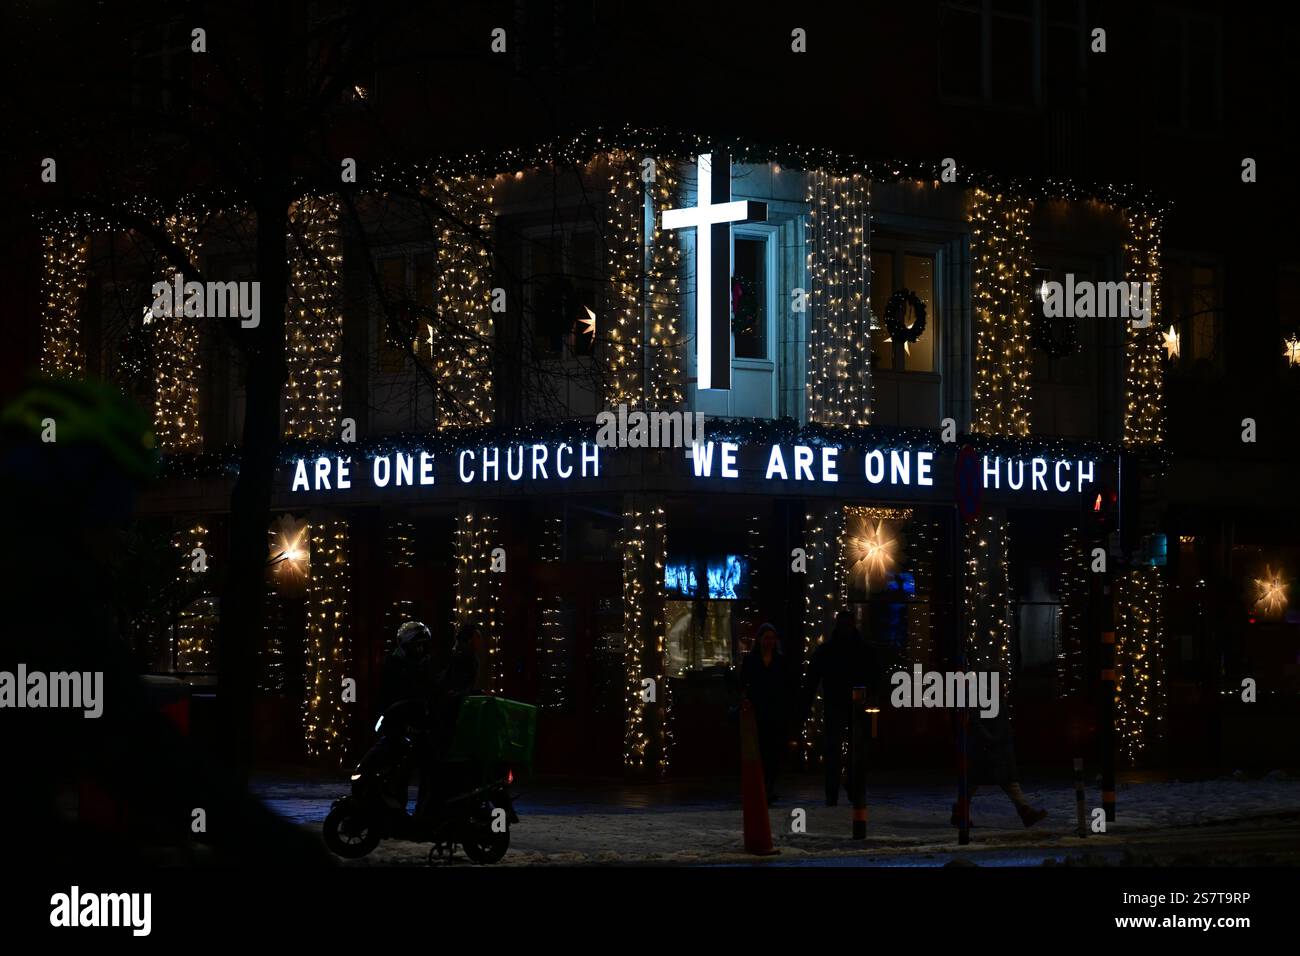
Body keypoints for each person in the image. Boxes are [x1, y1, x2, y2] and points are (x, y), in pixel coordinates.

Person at [801, 610, 873, 806]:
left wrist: (805, 705)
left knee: (837, 750)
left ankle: (837, 792)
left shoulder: (829, 650)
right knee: (851, 750)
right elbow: (872, 676)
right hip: (850, 705)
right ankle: (850, 789)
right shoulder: (859, 649)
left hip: (840, 704)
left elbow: (812, 679)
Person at [952, 697, 1047, 828]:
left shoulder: (990, 696)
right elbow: (976, 720)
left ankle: (960, 813)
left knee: (982, 781)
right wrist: (990, 738)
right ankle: (1025, 812)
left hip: (991, 746)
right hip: (989, 747)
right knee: (998, 780)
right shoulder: (986, 696)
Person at [740, 623, 791, 803]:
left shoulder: (780, 661)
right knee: (759, 748)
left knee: (772, 749)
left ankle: (769, 784)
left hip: (775, 709)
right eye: (766, 638)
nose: (770, 642)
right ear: (760, 639)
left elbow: (786, 685)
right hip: (758, 709)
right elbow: (743, 682)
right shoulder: (751, 660)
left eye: (772, 638)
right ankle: (760, 785)